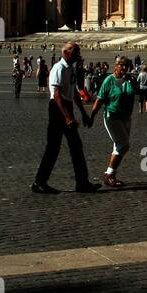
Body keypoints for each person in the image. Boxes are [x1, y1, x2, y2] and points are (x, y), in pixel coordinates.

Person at [32, 41, 97, 194]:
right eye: (75, 52)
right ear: (66, 53)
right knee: (53, 147)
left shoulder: (70, 69)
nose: (78, 55)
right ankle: (39, 182)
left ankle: (82, 183)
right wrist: (67, 117)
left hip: (66, 108)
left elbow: (73, 93)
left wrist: (83, 113)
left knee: (76, 146)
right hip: (57, 109)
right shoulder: (58, 68)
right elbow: (56, 95)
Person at [89, 55, 136, 187]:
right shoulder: (108, 80)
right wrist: (91, 116)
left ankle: (112, 176)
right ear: (115, 65)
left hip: (126, 117)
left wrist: (133, 82)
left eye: (127, 66)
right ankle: (109, 174)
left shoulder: (129, 79)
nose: (125, 68)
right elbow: (99, 100)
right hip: (112, 117)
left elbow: (134, 93)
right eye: (122, 65)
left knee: (118, 146)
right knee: (124, 145)